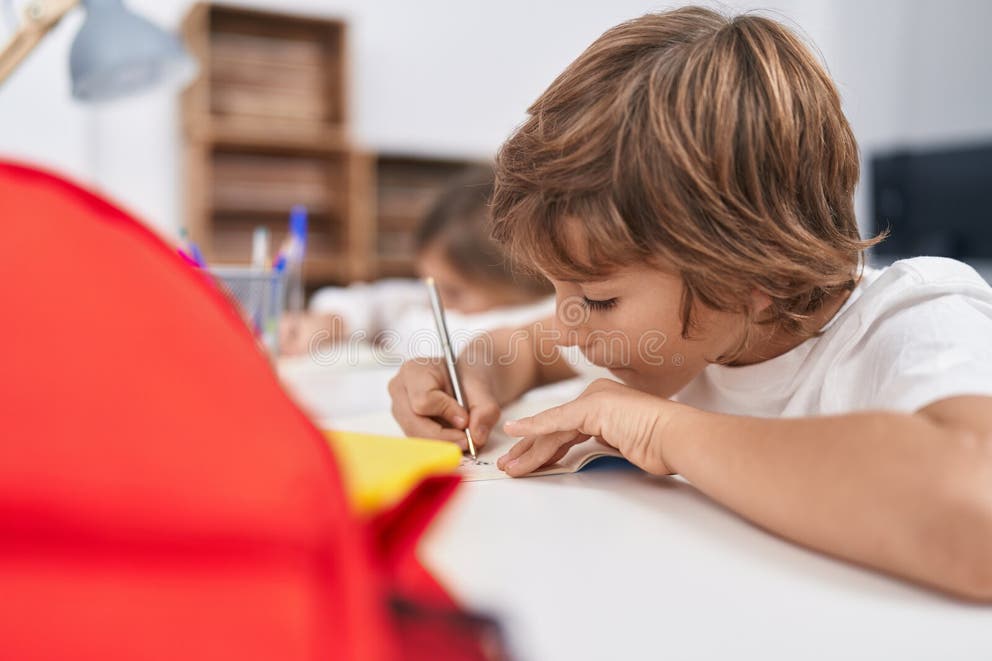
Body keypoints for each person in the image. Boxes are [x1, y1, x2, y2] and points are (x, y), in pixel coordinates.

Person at [387, 7, 992, 600]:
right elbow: (517, 348)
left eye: (597, 300)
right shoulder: (674, 333)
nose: (570, 331)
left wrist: (665, 430)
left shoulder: (914, 316)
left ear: (751, 277)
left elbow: (976, 515)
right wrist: (471, 383)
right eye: (559, 291)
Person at [279, 164, 553, 359]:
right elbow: (385, 300)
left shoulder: (546, 323)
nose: (437, 303)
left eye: (453, 292)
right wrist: (331, 322)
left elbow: (442, 342)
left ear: (526, 280)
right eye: (429, 285)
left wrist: (390, 329)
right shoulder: (441, 300)